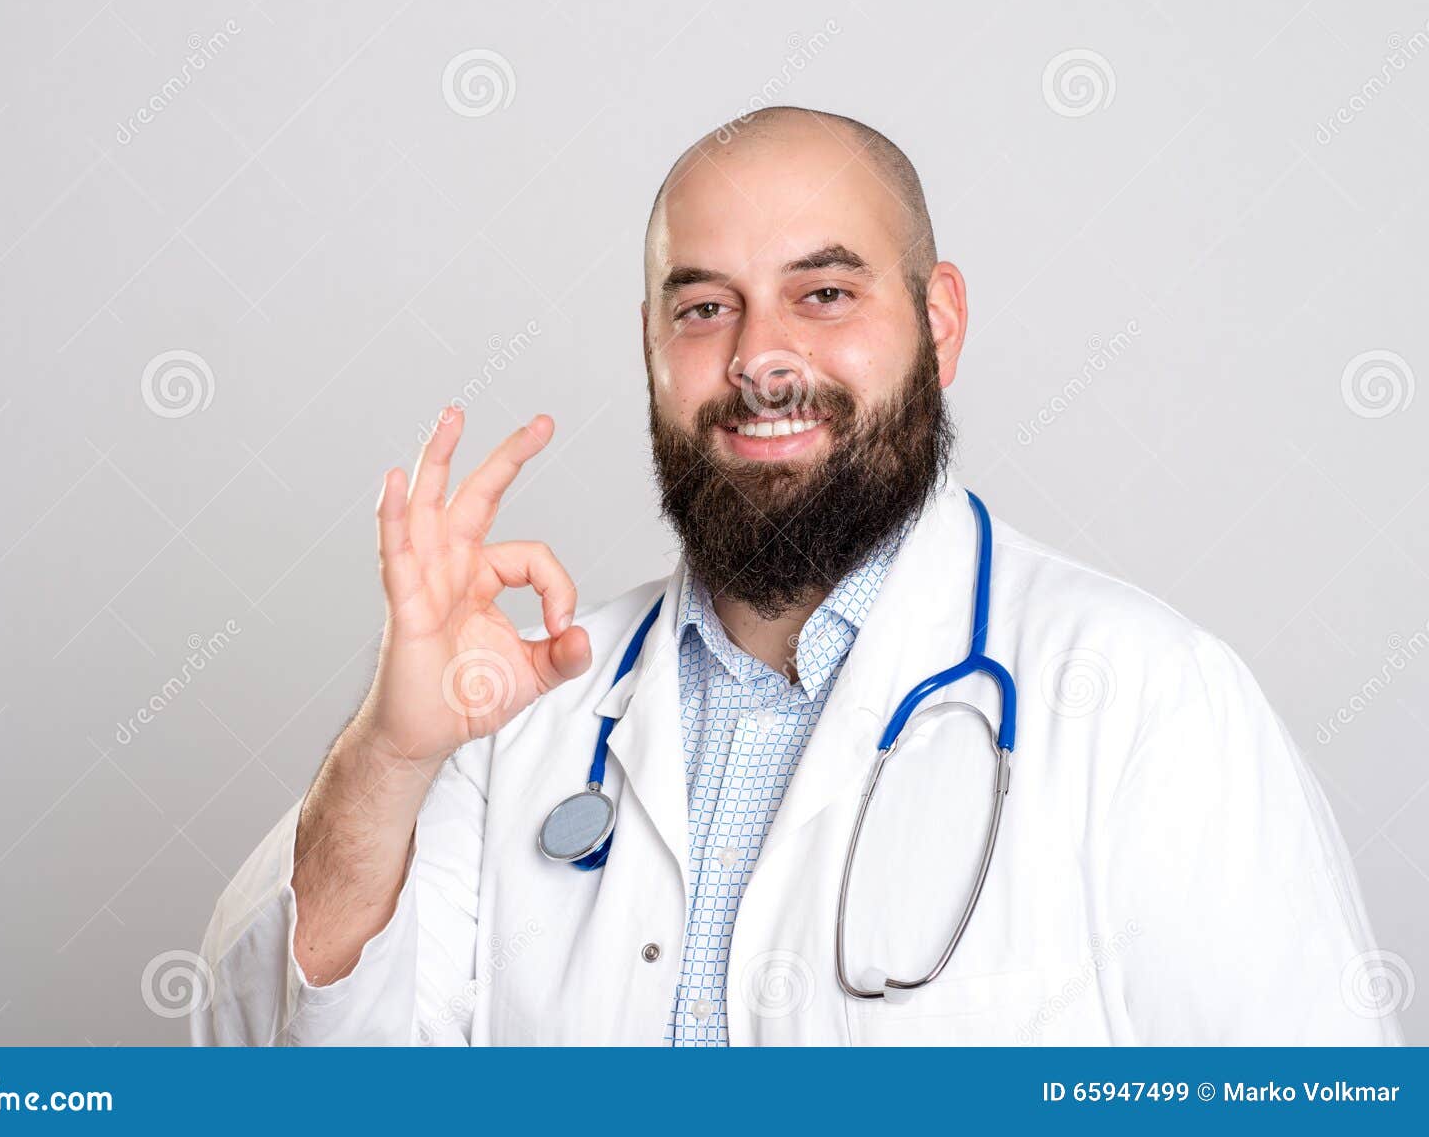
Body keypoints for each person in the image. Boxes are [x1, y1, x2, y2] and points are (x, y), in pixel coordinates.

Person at [191, 106, 1400, 1046]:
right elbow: (285, 1073)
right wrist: (392, 755)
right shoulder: (515, 720)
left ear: (939, 322)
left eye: (823, 294)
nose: (761, 359)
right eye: (704, 308)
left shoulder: (1145, 700)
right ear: (652, 346)